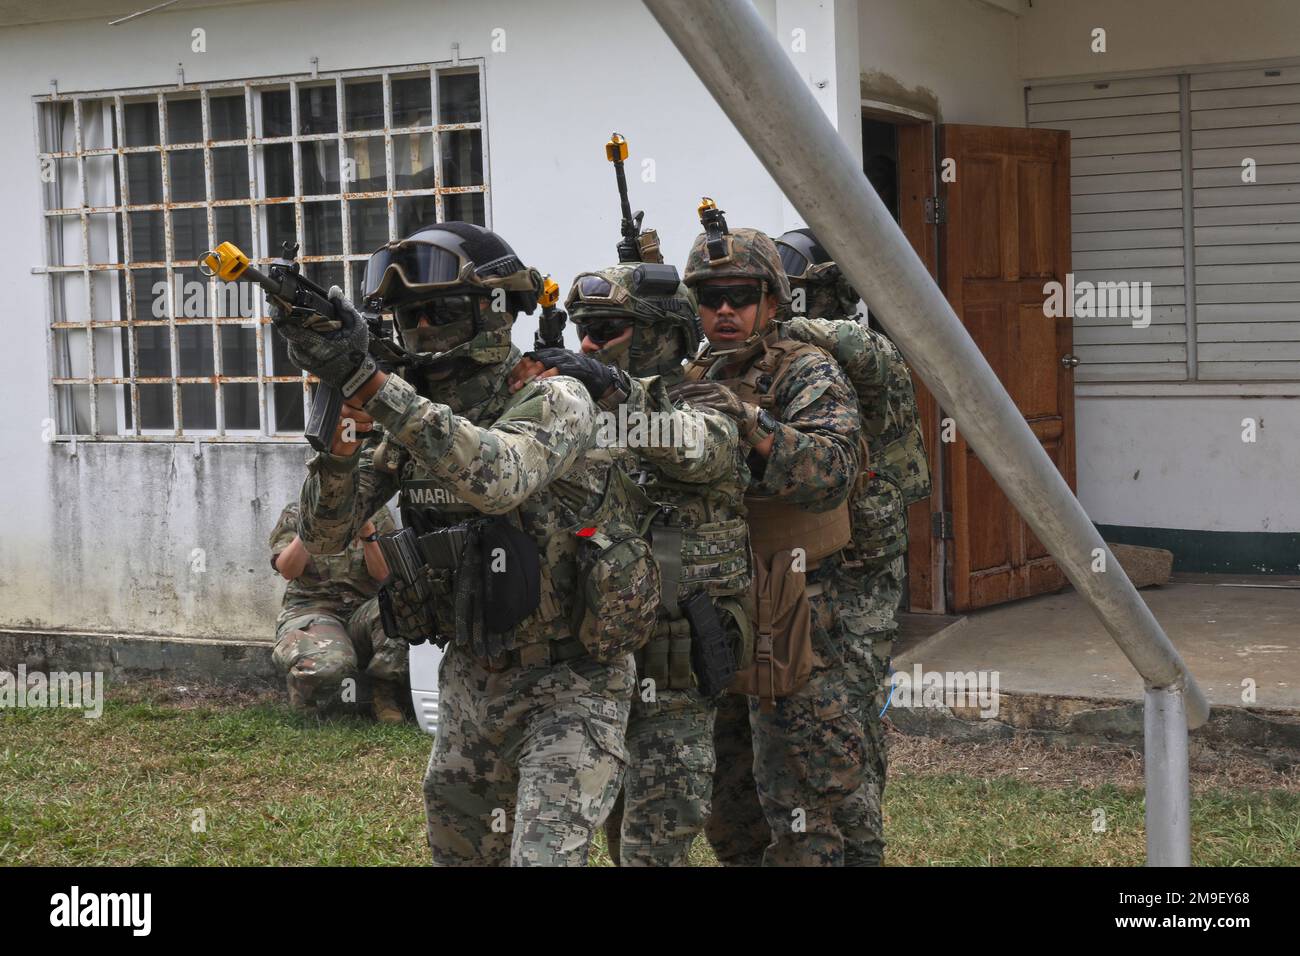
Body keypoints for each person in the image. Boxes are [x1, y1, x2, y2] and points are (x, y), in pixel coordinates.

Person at [270, 222, 661, 866]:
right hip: (473, 677)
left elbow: (498, 479)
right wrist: (341, 439)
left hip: (572, 681)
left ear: (494, 310)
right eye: (406, 315)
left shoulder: (554, 395)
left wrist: (374, 387)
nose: (420, 328)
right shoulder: (407, 411)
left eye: (437, 310)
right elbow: (323, 535)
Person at [525, 261, 751, 865]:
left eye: (610, 328)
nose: (591, 342)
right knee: (611, 828)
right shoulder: (581, 409)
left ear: (666, 334)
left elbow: (699, 448)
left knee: (657, 837)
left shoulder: (705, 398)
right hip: (598, 652)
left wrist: (611, 388)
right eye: (585, 330)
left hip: (675, 659)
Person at [671, 206, 866, 866]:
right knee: (727, 799)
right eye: (709, 297)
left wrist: (752, 427)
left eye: (740, 297)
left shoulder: (807, 371)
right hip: (716, 604)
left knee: (802, 796)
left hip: (796, 605)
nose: (724, 311)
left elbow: (832, 474)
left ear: (771, 302)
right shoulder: (691, 377)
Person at [776, 227, 932, 865]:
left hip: (862, 575)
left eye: (793, 298)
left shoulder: (870, 350)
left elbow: (857, 346)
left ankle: (862, 850)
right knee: (802, 726)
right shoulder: (790, 364)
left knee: (851, 724)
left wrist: (773, 319)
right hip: (804, 567)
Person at [269, 498, 405, 722]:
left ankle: (383, 695)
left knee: (401, 607)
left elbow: (384, 575)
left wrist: (368, 534)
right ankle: (304, 693)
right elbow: (288, 570)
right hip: (312, 610)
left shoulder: (377, 514)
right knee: (330, 666)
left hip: (361, 611)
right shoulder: (299, 511)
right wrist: (310, 529)